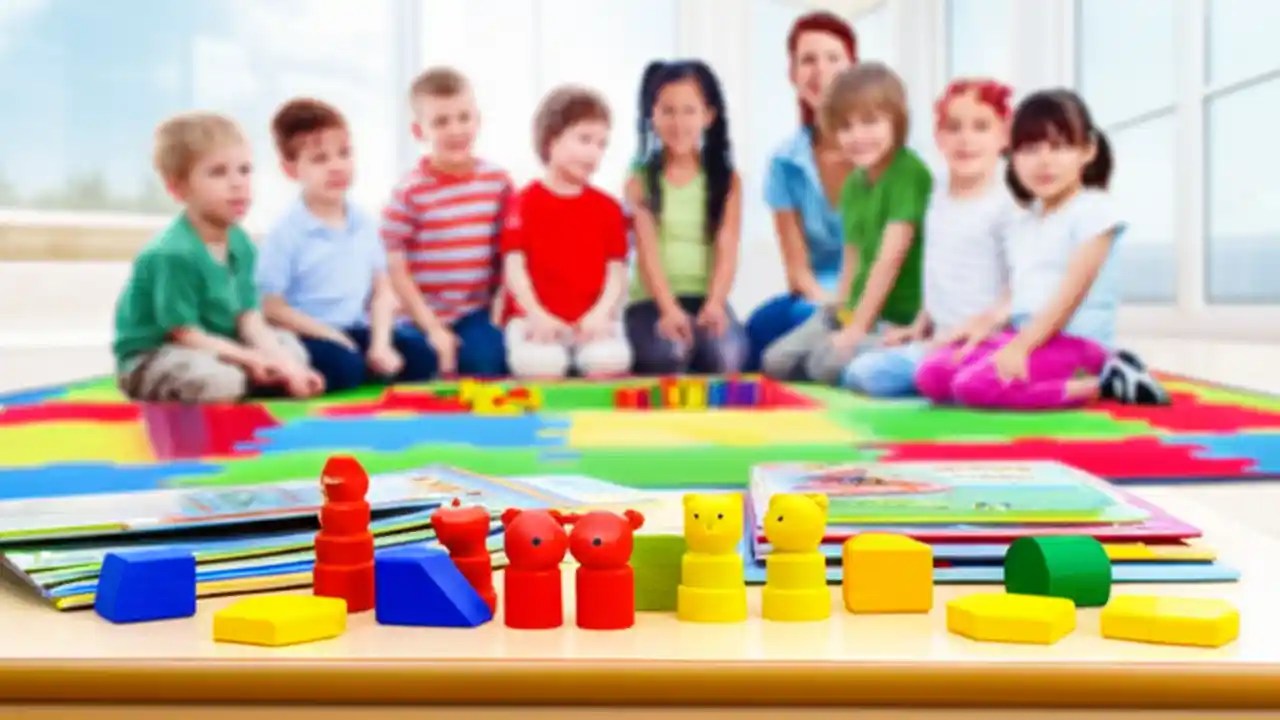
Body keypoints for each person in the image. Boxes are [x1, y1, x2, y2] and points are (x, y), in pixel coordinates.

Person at [914, 90, 1169, 409]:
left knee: (973, 387)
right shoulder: (1026, 220)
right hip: (1031, 339)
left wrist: (1021, 347)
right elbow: (1017, 293)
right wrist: (980, 326)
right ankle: (1060, 376)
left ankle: (1102, 381)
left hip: (1077, 345)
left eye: (1060, 147)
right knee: (933, 374)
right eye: (1031, 149)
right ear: (1013, 156)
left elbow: (1069, 297)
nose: (1045, 161)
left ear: (1087, 150)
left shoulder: (1095, 211)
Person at [113, 112, 322, 402]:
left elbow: (249, 318)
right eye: (218, 172)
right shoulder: (172, 253)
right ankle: (248, 380)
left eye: (245, 170)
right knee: (219, 381)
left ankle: (256, 377)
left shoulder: (242, 243)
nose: (238, 183)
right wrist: (252, 359)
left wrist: (284, 364)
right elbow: (184, 335)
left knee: (292, 350)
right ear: (178, 188)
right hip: (157, 355)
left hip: (218, 343)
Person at [842, 79, 1017, 396]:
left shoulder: (1008, 203)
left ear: (1003, 135)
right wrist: (919, 324)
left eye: (980, 127)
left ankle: (971, 377)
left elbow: (1022, 284)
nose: (966, 139)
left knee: (879, 374)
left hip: (986, 340)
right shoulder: (936, 192)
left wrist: (990, 321)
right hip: (938, 338)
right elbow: (936, 268)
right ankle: (947, 375)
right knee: (855, 371)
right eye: (954, 128)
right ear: (939, 138)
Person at [761, 62, 933, 385]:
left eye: (870, 122)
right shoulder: (854, 183)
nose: (858, 137)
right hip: (853, 311)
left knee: (823, 365)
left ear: (896, 120)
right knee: (775, 362)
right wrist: (841, 312)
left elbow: (888, 260)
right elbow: (852, 255)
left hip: (893, 319)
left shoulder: (909, 174)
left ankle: (898, 351)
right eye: (846, 127)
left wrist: (856, 330)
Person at [257, 98, 436, 392]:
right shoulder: (286, 231)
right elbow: (272, 307)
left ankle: (369, 362)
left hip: (356, 329)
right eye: (320, 159)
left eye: (344, 154)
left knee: (422, 356)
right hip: (309, 334)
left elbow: (382, 290)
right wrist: (329, 334)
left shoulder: (363, 222)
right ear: (291, 170)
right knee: (345, 367)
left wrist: (381, 344)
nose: (337, 166)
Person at [744, 11, 857, 370]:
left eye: (833, 58)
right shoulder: (784, 161)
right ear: (793, 75)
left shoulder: (885, 155)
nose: (820, 71)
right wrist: (829, 307)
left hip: (873, 298)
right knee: (755, 333)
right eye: (807, 60)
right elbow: (798, 271)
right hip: (814, 299)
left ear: (854, 69)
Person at [381, 67, 511, 378]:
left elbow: (509, 255)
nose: (456, 130)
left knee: (487, 362)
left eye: (464, 118)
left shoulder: (498, 183)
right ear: (418, 131)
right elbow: (395, 269)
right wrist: (433, 328)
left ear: (478, 120)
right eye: (441, 122)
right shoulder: (408, 192)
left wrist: (497, 314)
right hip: (418, 316)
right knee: (419, 363)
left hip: (475, 314)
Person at [498, 86, 633, 378]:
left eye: (601, 144)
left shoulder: (608, 208)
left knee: (608, 362)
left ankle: (579, 355)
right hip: (534, 321)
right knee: (540, 367)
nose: (593, 153)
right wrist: (536, 315)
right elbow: (514, 269)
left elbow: (616, 272)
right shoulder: (522, 202)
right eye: (584, 139)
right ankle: (556, 356)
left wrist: (600, 314)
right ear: (551, 140)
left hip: (591, 323)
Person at [624, 60, 746, 375]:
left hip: (707, 300)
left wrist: (716, 303)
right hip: (652, 303)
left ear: (708, 116)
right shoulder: (639, 179)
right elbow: (647, 251)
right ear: (653, 116)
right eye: (668, 111)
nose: (679, 122)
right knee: (669, 356)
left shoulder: (727, 180)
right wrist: (668, 310)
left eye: (689, 111)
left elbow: (727, 246)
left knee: (726, 359)